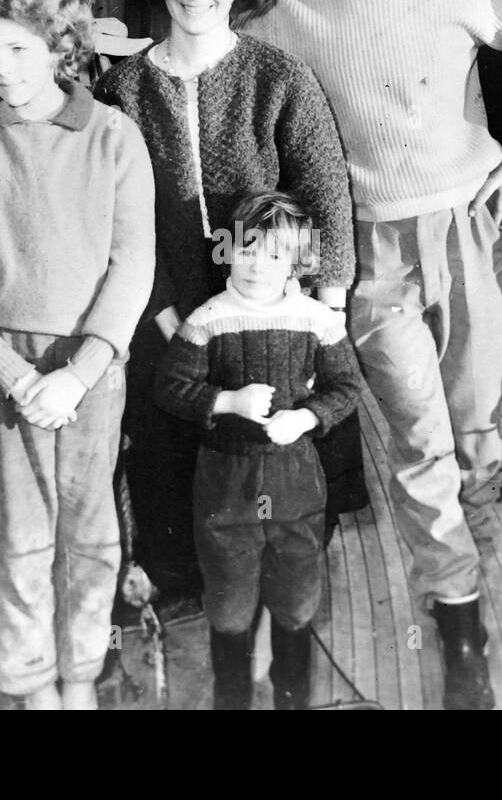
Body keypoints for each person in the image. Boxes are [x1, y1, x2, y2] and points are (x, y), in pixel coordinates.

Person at [246, 0, 502, 710]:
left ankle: (476, 531)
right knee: (419, 436)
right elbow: (221, 58)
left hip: (470, 224)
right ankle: (461, 624)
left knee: (472, 429)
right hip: (367, 249)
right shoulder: (286, 5)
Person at [95, 0, 358, 596]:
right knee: (176, 449)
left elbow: (325, 192)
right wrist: (160, 314)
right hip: (172, 308)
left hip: (276, 309)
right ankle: (186, 584)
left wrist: (325, 310)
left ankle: (284, 579)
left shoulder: (279, 78)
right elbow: (115, 224)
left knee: (285, 448)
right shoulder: (121, 91)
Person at [0, 0, 156, 710]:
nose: (3, 69)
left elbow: (132, 264)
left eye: (19, 49)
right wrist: (11, 374)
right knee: (17, 542)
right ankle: (28, 685)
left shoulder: (114, 137)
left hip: (89, 368)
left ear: (59, 47)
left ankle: (81, 674)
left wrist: (79, 372)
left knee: (89, 539)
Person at [154, 191, 362, 710]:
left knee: (297, 598)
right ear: (227, 251)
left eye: (273, 255)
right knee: (229, 604)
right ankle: (234, 700)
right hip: (225, 488)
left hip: (297, 484)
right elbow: (171, 385)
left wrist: (307, 417)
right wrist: (226, 401)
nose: (256, 266)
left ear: (296, 262)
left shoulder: (318, 320)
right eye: (245, 250)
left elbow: (347, 386)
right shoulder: (207, 319)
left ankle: (293, 698)